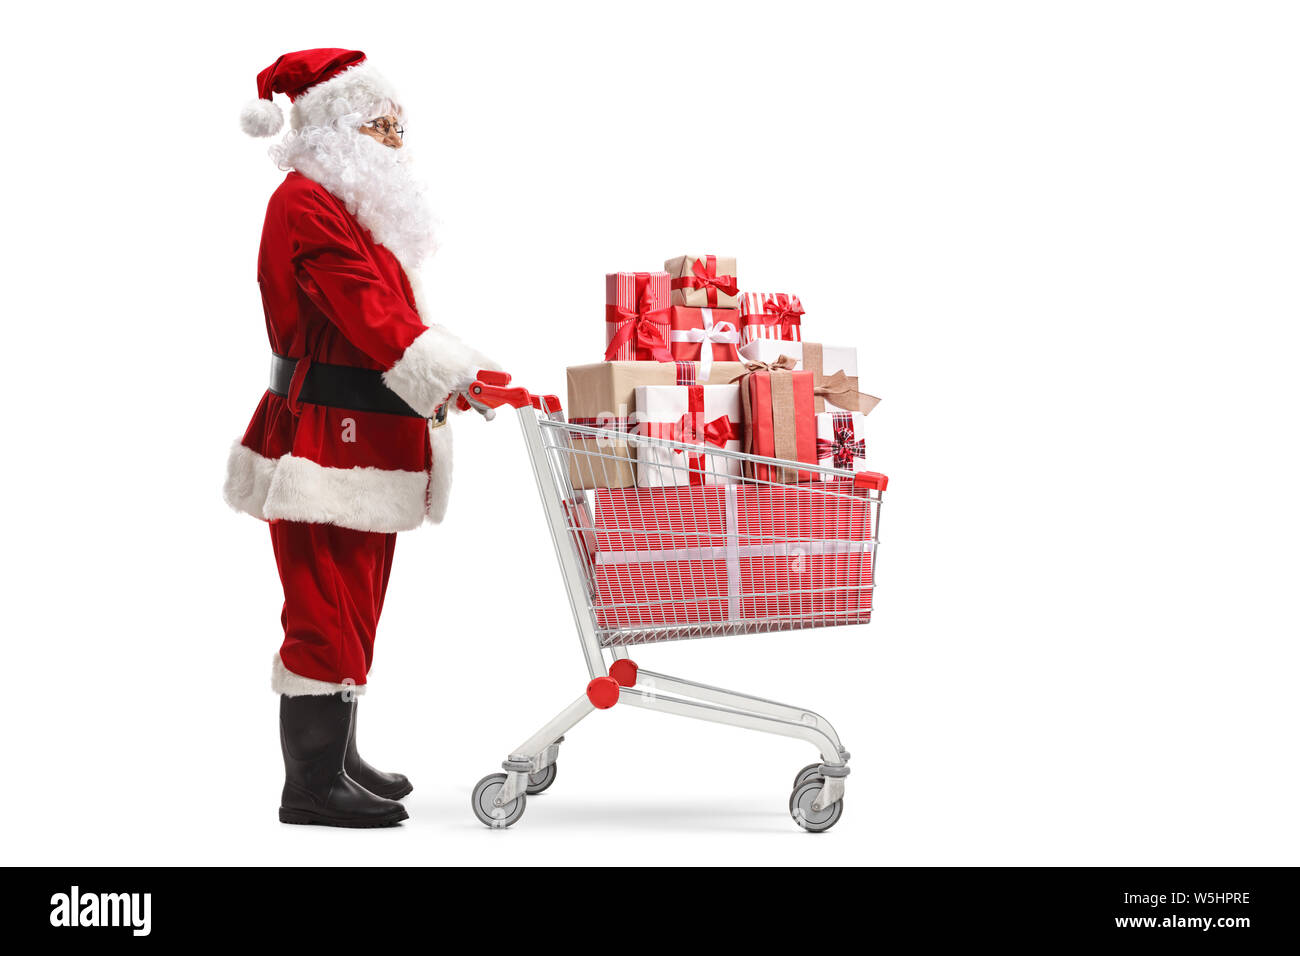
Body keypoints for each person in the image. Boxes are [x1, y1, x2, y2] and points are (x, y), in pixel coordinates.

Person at [224, 48, 497, 828]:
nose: (394, 139)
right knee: (323, 603)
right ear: (335, 130)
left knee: (357, 600)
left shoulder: (351, 209)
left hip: (369, 435)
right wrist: (448, 373)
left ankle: (338, 754)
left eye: (396, 125)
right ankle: (309, 783)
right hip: (323, 437)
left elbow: (392, 311)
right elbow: (366, 313)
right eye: (380, 124)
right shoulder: (306, 205)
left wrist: (467, 369)